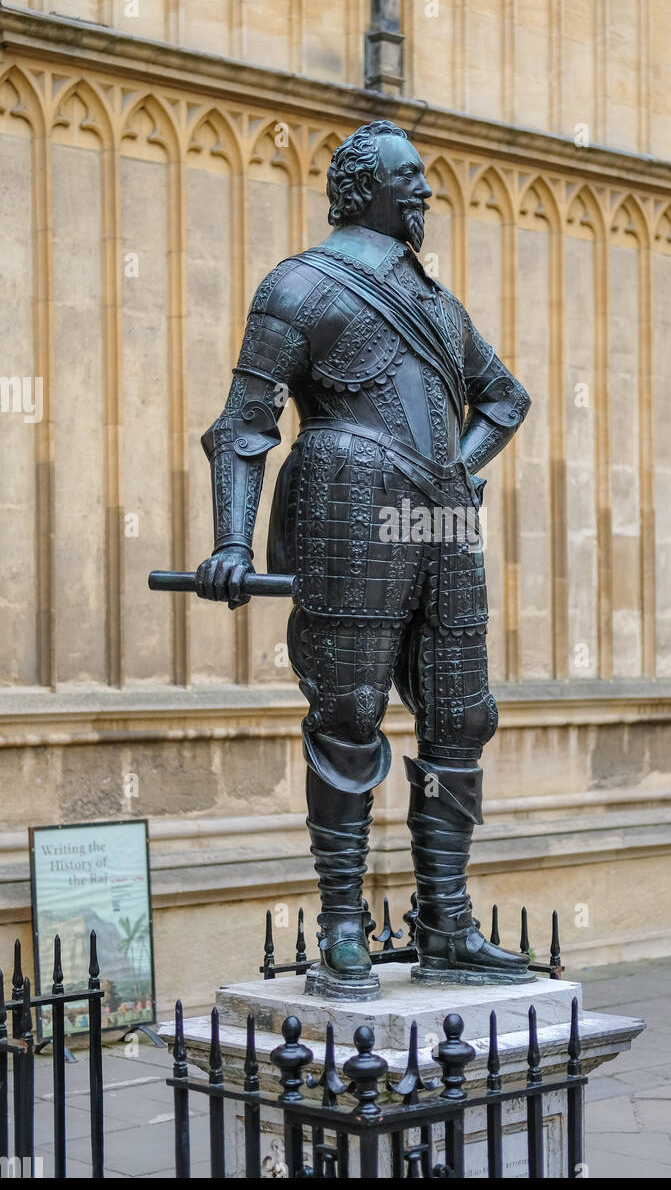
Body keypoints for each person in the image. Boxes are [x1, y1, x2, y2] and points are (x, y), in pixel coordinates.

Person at [196, 120, 532, 995]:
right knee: (348, 713)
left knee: (462, 716)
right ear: (362, 189)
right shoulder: (300, 286)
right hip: (348, 508)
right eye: (408, 177)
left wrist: (452, 468)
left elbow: (506, 396)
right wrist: (232, 541)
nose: (423, 191)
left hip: (446, 526)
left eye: (423, 176)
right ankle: (344, 925)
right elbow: (244, 425)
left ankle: (448, 925)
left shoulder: (437, 303)